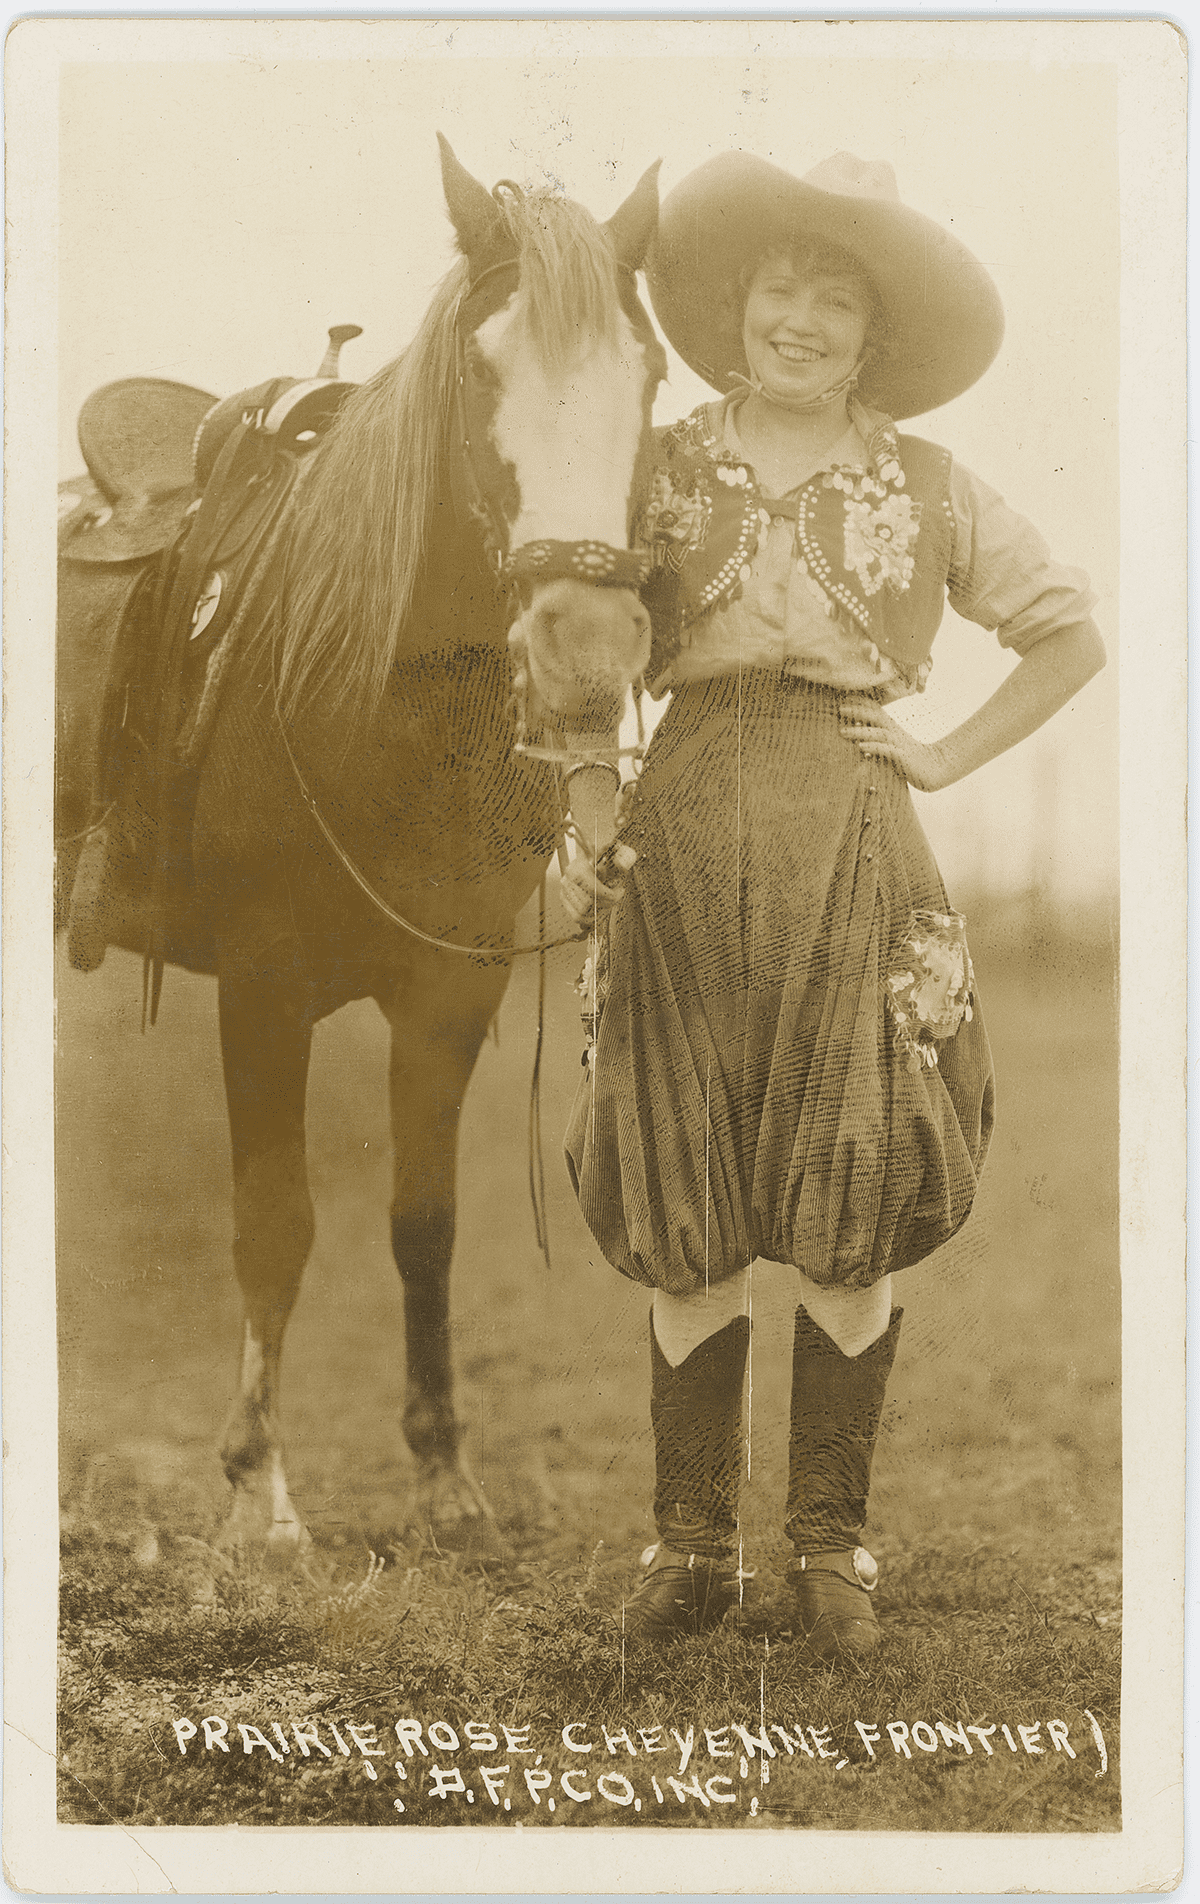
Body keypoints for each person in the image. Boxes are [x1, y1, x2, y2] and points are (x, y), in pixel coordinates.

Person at [557, 152, 1105, 1657]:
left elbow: (1068, 635)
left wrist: (939, 751)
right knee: (686, 1192)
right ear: (736, 311)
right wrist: (589, 817)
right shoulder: (652, 467)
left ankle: (831, 1551)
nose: (800, 319)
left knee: (849, 1186)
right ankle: (689, 1552)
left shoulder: (927, 485)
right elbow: (569, 656)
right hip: (679, 829)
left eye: (836, 301)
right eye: (778, 291)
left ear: (875, 340)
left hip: (853, 832)